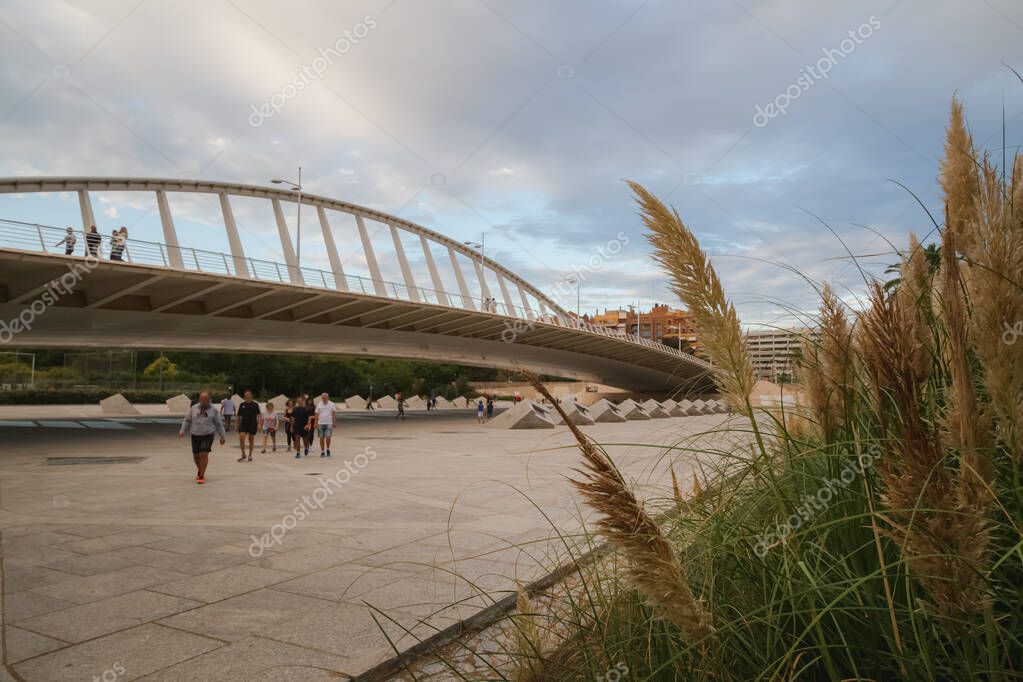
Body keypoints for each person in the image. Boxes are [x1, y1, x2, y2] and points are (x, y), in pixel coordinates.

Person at [178, 391, 226, 484]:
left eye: (206, 399)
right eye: (202, 399)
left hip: (208, 435)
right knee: (196, 456)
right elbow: (187, 420)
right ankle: (200, 469)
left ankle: (201, 475)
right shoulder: (194, 408)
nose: (204, 401)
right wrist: (182, 430)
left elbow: (219, 424)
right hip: (195, 434)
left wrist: (222, 436)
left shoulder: (214, 410)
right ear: (199, 399)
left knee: (203, 454)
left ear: (209, 399)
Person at [236, 390, 260, 462]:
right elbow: (238, 416)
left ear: (251, 396)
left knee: (251, 439)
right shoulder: (242, 404)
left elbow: (259, 415)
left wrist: (259, 424)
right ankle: (243, 454)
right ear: (244, 396)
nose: (247, 396)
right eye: (246, 395)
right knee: (241, 438)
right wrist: (236, 425)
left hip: (252, 424)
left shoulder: (255, 404)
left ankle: (250, 455)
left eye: (249, 395)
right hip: (243, 424)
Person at [313, 392, 337, 457]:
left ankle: (328, 449)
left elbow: (334, 413)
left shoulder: (332, 404)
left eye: (325, 398)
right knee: (321, 438)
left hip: (329, 423)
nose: (324, 399)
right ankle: (322, 451)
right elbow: (316, 414)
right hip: (320, 423)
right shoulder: (319, 404)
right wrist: (315, 423)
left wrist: (334, 422)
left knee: (328, 437)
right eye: (322, 398)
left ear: (327, 398)